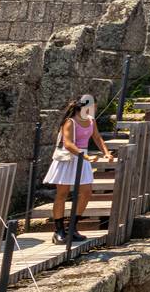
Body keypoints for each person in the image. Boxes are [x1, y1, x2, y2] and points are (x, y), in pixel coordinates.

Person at [45, 95, 113, 245]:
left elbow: (97, 137)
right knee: (62, 193)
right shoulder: (70, 122)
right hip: (69, 158)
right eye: (93, 106)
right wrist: (84, 156)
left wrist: (106, 152)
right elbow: (68, 143)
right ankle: (59, 230)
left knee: (86, 192)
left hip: (83, 158)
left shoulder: (91, 121)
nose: (95, 109)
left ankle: (72, 228)